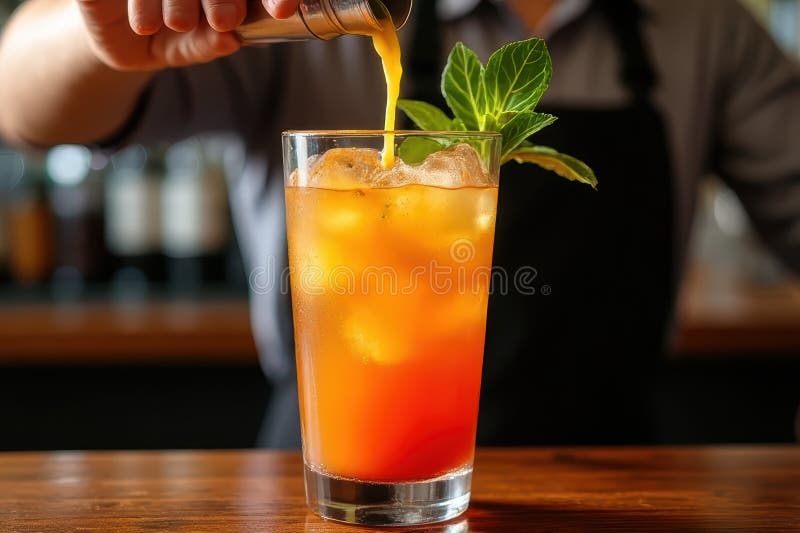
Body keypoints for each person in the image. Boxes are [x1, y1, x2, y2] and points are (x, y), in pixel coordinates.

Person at [1, 0, 799, 447]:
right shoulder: (306, 7)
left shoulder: (704, 26)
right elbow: (18, 102)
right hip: (332, 470)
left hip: (615, 474)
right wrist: (97, 25)